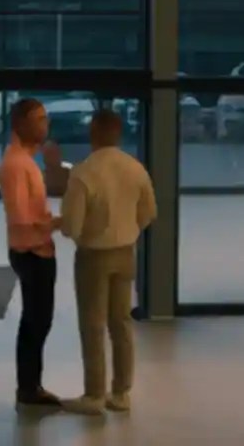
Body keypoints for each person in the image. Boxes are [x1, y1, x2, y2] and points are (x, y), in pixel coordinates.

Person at [57, 109, 157, 415]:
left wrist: (77, 232)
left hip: (93, 257)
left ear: (93, 133)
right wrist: (128, 229)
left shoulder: (84, 173)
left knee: (93, 325)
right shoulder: (135, 168)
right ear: (119, 133)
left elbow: (71, 226)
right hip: (126, 253)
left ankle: (94, 395)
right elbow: (149, 213)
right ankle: (121, 393)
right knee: (121, 323)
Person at [0, 97, 64, 408]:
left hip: (37, 251)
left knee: (39, 321)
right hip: (32, 253)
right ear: (20, 123)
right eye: (39, 119)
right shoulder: (16, 165)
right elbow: (22, 220)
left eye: (45, 118)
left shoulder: (26, 161)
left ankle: (30, 386)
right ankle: (28, 388)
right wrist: (59, 223)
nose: (45, 124)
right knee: (35, 322)